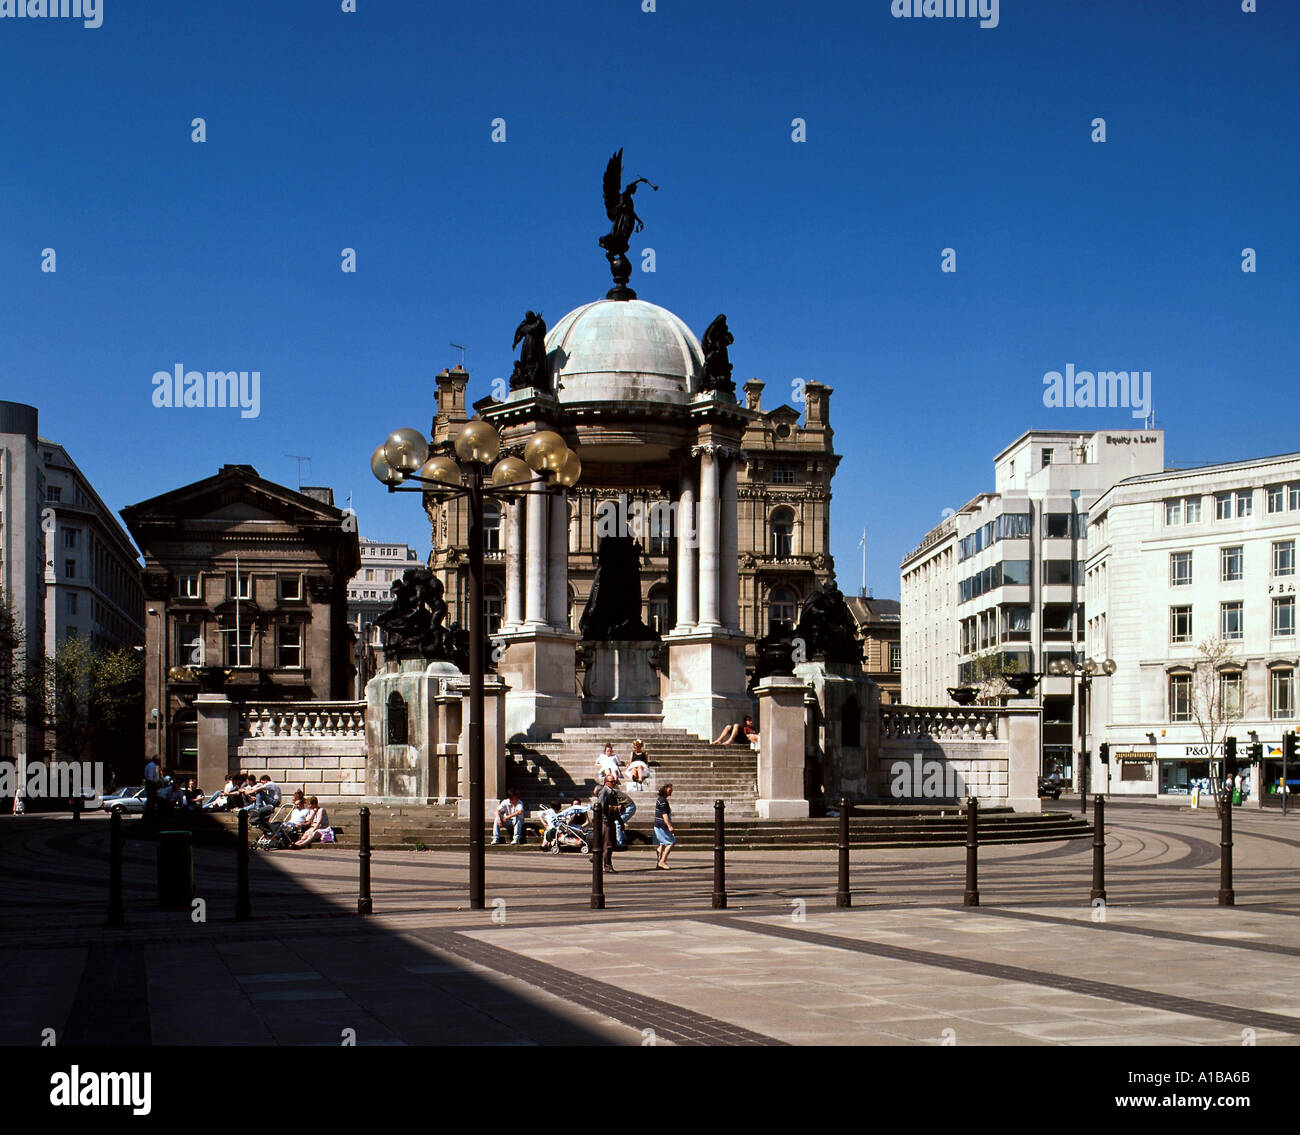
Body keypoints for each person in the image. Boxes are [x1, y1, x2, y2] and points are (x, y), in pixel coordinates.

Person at [596, 773, 622, 872]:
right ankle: (607, 866)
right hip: (606, 821)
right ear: (606, 782)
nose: (614, 783)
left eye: (614, 781)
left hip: (611, 820)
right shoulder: (604, 792)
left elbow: (614, 809)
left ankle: (597, 859)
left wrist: (620, 821)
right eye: (612, 781)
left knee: (610, 843)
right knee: (608, 844)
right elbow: (600, 807)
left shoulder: (612, 792)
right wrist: (605, 820)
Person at [654, 783, 675, 869]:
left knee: (662, 843)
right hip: (661, 825)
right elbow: (664, 815)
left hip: (658, 824)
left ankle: (659, 859)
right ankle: (662, 861)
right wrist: (670, 826)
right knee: (671, 842)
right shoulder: (663, 801)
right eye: (669, 790)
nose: (671, 792)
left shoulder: (660, 799)